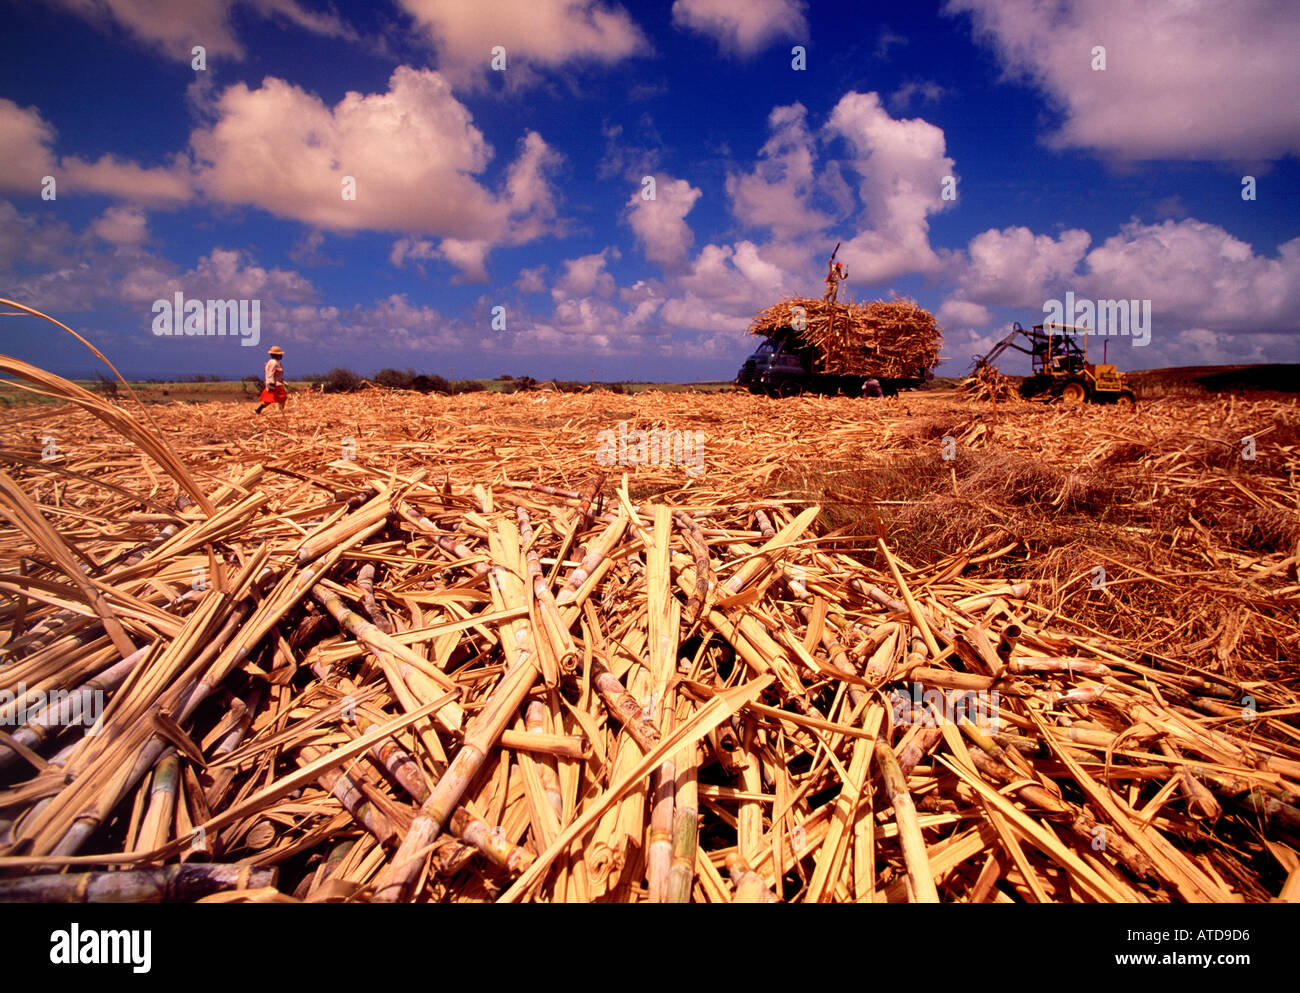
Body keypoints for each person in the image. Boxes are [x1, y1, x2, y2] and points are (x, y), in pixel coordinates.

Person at [255, 346, 287, 414]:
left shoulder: (275, 362)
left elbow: (276, 374)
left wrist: (282, 380)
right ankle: (281, 412)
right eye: (280, 354)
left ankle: (258, 409)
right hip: (275, 384)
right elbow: (270, 373)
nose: (282, 355)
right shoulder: (273, 363)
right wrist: (271, 383)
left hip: (276, 383)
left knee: (269, 399)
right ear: (277, 355)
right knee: (283, 397)